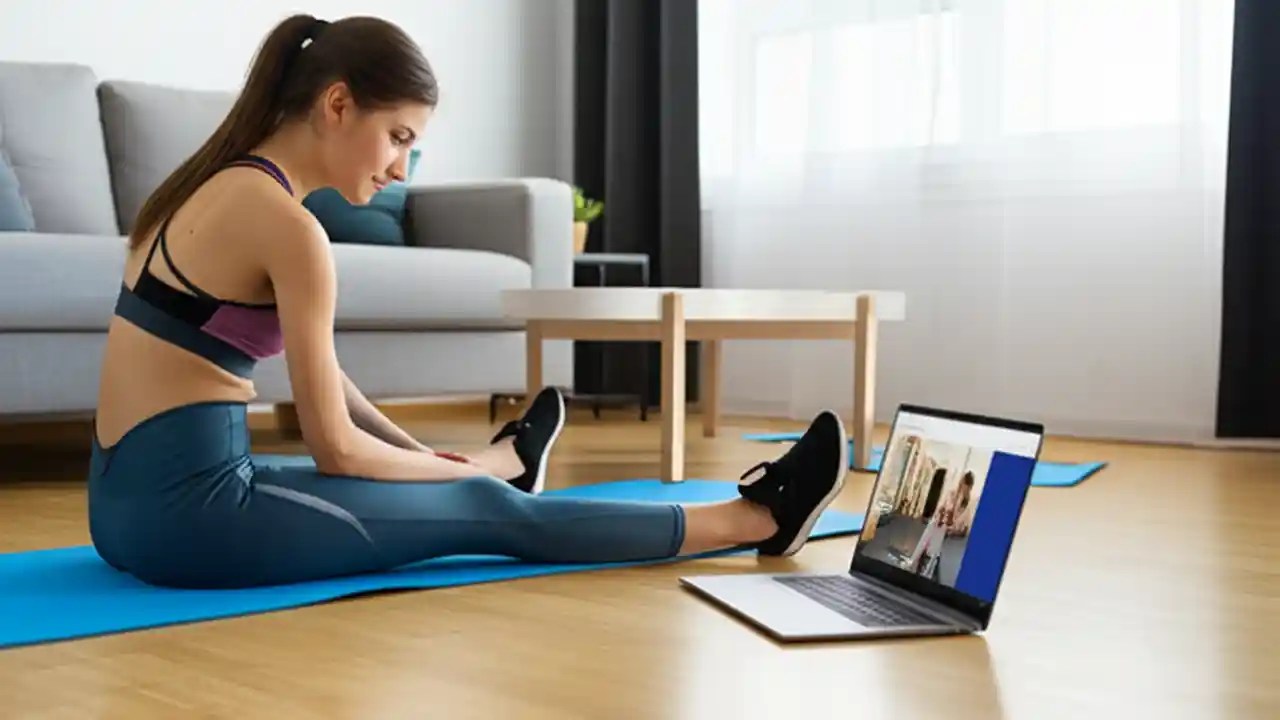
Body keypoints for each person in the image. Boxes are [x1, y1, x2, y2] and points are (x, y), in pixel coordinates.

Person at [87, 14, 848, 590]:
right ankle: (763, 515)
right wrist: (459, 480)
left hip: (121, 507)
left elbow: (325, 381)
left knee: (435, 483)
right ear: (339, 104)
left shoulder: (196, 186)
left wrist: (421, 453)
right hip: (191, 524)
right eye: (397, 137)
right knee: (492, 514)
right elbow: (337, 451)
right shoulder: (291, 230)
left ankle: (503, 459)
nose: (402, 168)